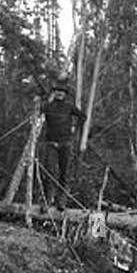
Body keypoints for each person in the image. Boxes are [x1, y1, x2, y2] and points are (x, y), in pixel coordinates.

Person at [40, 78, 84, 209]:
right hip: (51, 143)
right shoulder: (48, 106)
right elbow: (37, 112)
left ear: (65, 94)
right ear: (54, 93)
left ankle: (61, 202)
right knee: (49, 172)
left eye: (62, 91)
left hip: (66, 143)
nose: (59, 93)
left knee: (64, 173)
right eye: (57, 91)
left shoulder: (69, 106)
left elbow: (83, 116)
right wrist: (40, 100)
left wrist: (75, 128)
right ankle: (47, 201)